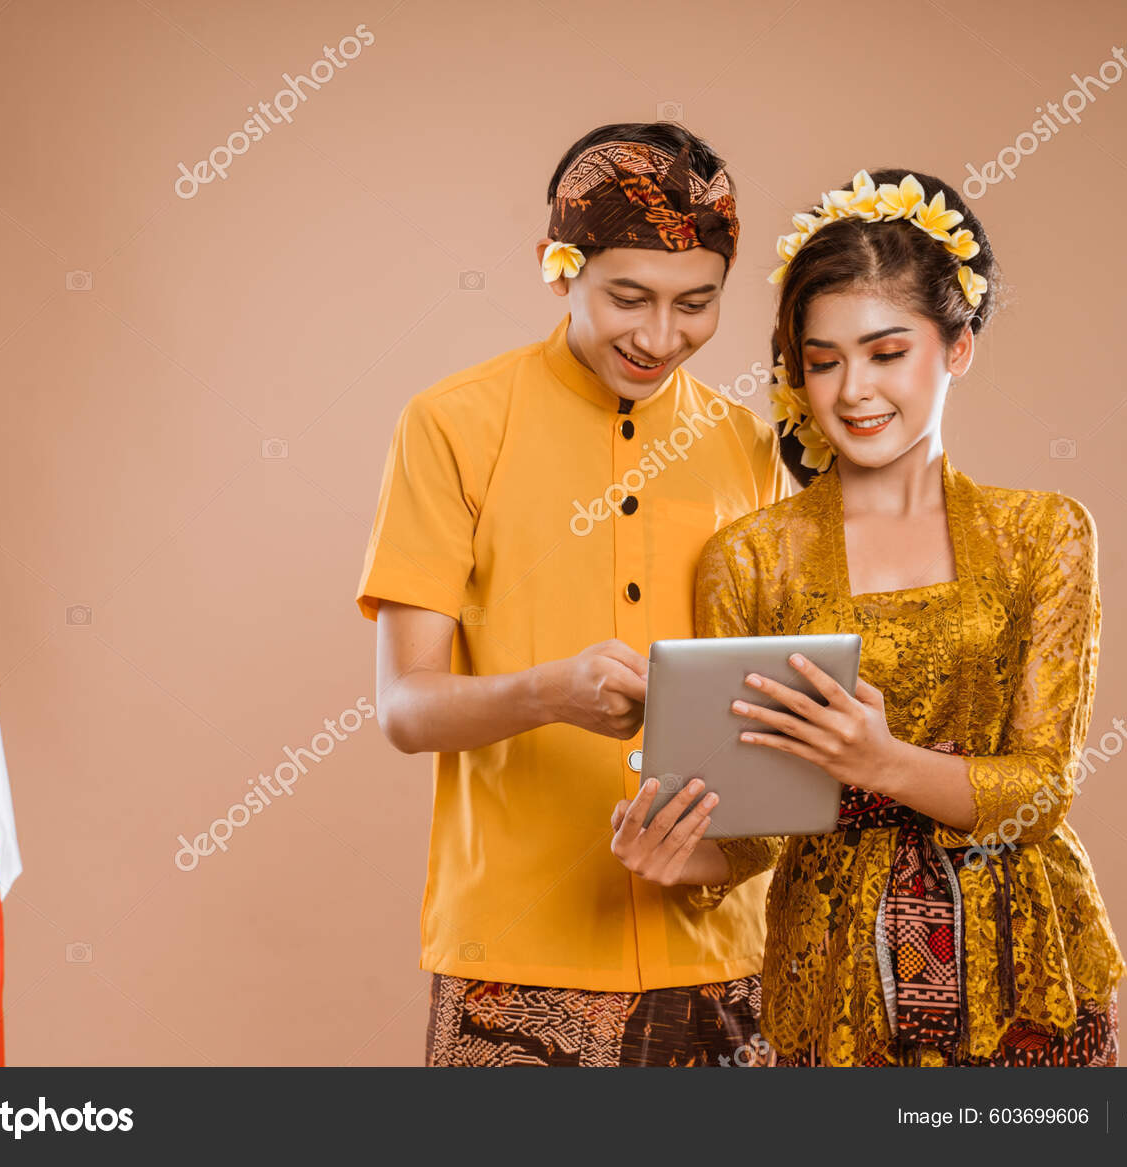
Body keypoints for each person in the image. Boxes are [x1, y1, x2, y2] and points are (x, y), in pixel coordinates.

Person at [609, 168, 1127, 1066]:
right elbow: (762, 822)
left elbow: (1043, 790)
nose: (853, 391)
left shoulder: (1043, 534)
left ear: (957, 346)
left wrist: (881, 761)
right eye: (823, 360)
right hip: (832, 966)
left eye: (887, 353)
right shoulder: (752, 557)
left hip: (1020, 953)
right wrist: (680, 856)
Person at [355, 122, 794, 1066]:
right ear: (561, 270)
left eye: (696, 304)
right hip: (514, 956)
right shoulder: (453, 425)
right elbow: (404, 706)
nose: (660, 335)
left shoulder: (753, 452)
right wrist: (546, 692)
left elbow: (770, 708)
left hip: (721, 954)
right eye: (627, 297)